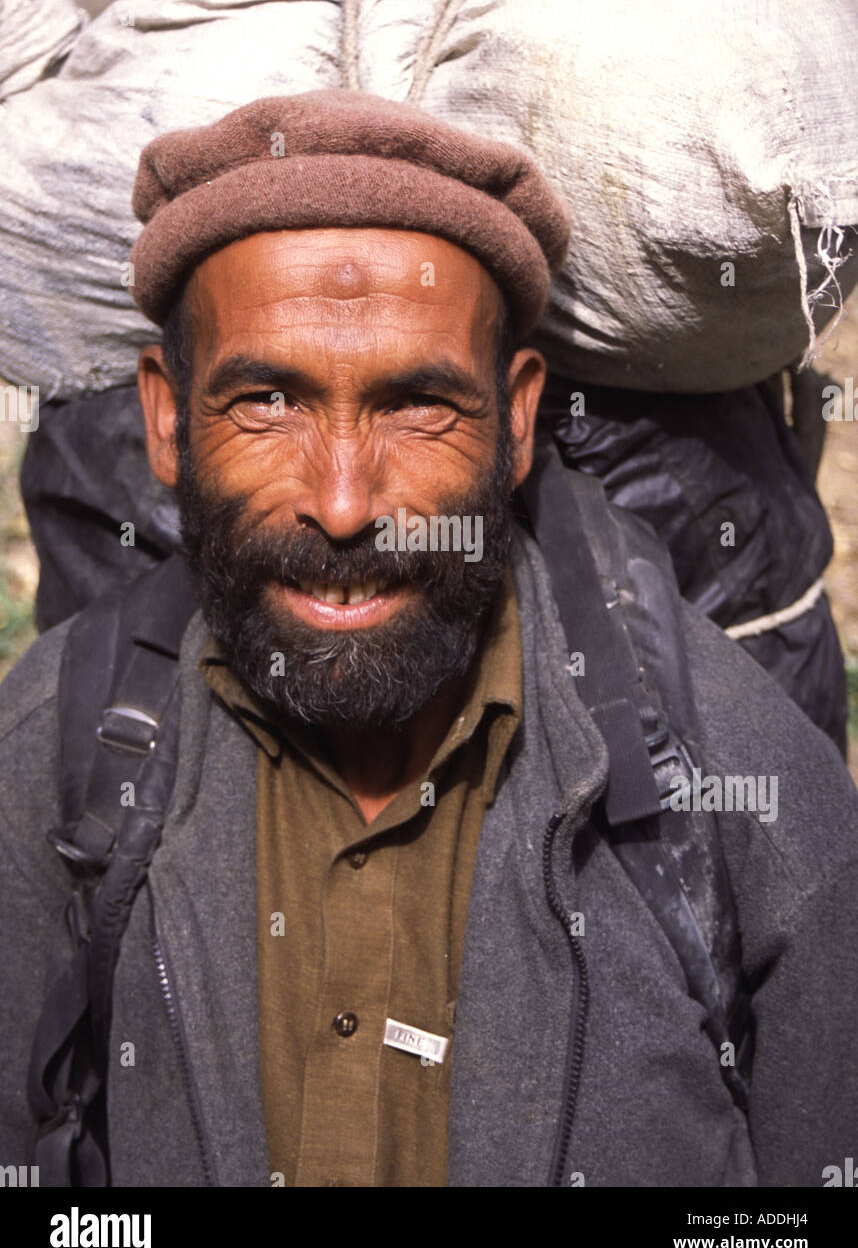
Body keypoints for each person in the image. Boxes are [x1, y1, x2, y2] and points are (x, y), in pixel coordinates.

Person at [1, 89, 856, 1188]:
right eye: (267, 399)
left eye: (419, 405)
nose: (348, 503)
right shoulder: (49, 766)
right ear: (167, 421)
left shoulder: (744, 791)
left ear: (515, 422)